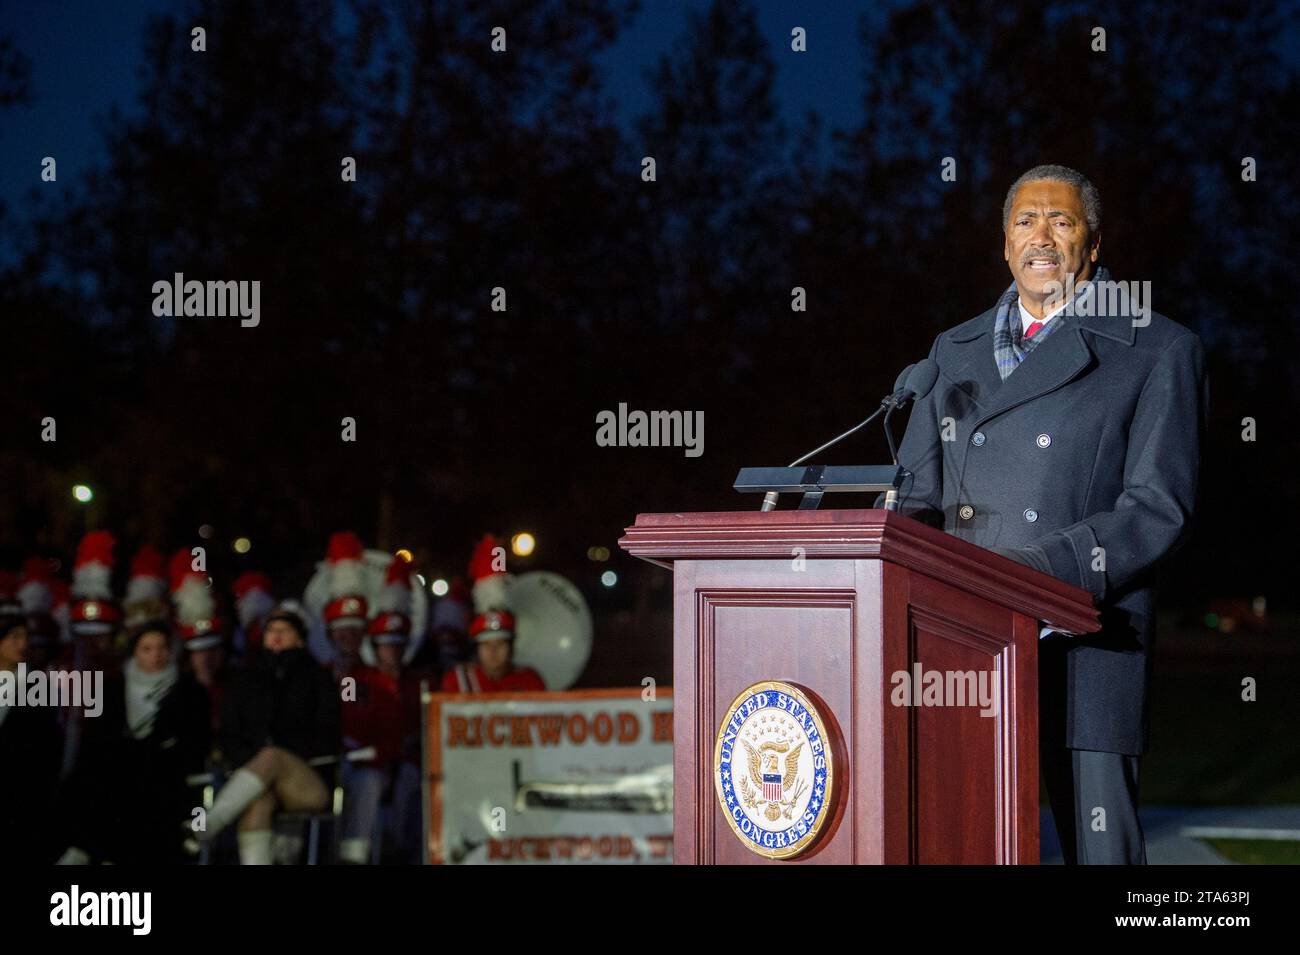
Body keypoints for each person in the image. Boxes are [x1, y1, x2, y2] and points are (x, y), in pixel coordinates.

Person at [884, 164, 1206, 864]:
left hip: (1089, 641)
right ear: (1004, 244)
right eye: (1026, 220)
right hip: (962, 646)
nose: (1042, 235)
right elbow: (915, 499)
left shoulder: (1157, 346)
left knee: (1102, 853)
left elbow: (1158, 508)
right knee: (962, 837)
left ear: (1091, 245)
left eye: (1062, 220)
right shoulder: (951, 353)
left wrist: (1038, 573)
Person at [56, 621, 211, 864]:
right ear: (134, 652)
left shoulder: (190, 692)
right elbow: (96, 741)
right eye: (146, 649)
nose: (156, 656)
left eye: (162, 648)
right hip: (116, 773)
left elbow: (195, 745)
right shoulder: (112, 690)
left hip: (167, 776)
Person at [201, 601, 341, 864]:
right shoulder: (245, 680)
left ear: (300, 639)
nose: (276, 634)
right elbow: (230, 733)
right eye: (271, 629)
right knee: (259, 801)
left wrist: (286, 756)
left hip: (306, 781)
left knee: (273, 756)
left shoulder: (318, 679)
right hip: (257, 780)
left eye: (285, 629)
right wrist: (252, 762)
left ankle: (211, 823)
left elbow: (327, 734)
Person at [0, 603, 63, 863]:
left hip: (21, 811)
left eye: (25, 636)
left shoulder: (39, 689)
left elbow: (48, 753)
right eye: (14, 636)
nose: (22, 643)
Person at [441, 610, 546, 693]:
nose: (493, 651)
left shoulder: (529, 680)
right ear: (476, 649)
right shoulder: (458, 681)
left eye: (500, 643)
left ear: (511, 648)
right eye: (486, 644)